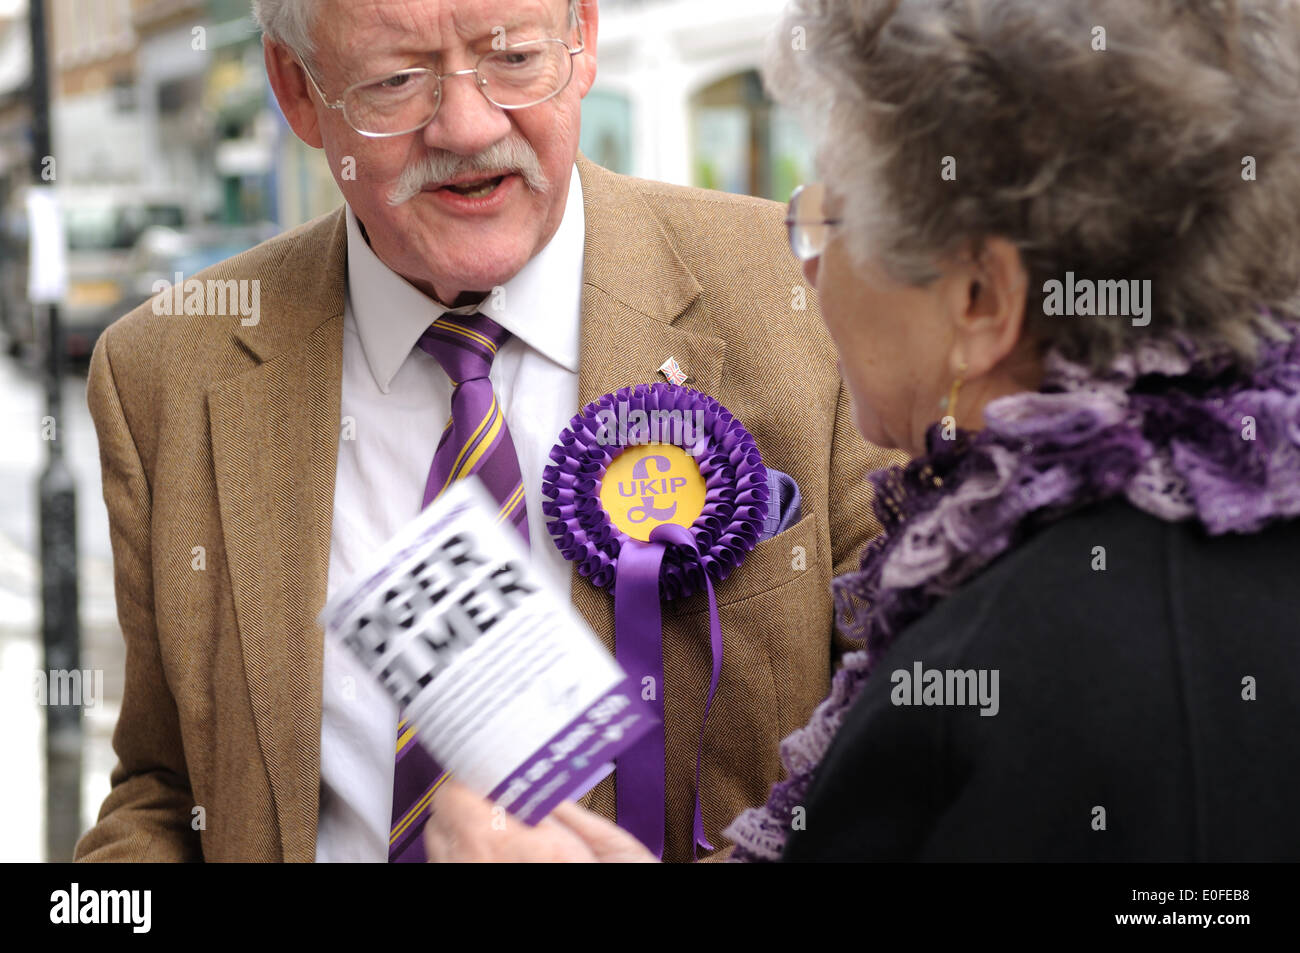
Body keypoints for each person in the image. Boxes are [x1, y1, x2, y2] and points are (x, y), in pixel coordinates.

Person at [422, 0, 1300, 862]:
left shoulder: (1032, 662)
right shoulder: (1224, 518)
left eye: (829, 218)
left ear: (979, 300)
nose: (806, 263)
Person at [73, 0, 901, 863]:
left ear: (581, 37)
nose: (467, 128)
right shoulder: (162, 373)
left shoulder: (802, 290)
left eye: (512, 58)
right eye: (396, 81)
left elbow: (920, 772)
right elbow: (165, 790)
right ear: (297, 89)